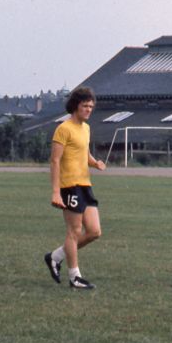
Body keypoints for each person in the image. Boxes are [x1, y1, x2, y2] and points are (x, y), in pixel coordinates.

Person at [44, 86, 106, 290]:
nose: (88, 110)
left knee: (95, 231)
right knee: (74, 231)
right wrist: (55, 192)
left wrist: (95, 163)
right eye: (85, 106)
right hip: (69, 186)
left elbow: (83, 154)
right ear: (75, 106)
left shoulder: (86, 128)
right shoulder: (63, 129)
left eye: (91, 106)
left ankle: (56, 256)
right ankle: (74, 277)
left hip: (85, 184)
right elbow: (55, 161)